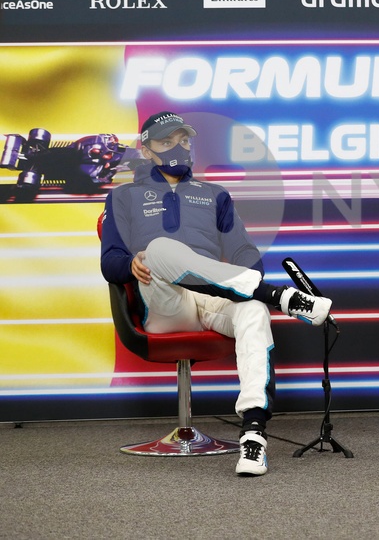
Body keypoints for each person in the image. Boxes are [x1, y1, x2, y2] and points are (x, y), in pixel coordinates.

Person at [100, 111, 332, 476]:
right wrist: (130, 264)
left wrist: (248, 281)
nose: (179, 148)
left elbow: (244, 255)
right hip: (163, 300)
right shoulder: (123, 197)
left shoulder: (214, 194)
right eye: (166, 142)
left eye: (184, 140)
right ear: (146, 151)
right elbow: (110, 261)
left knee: (254, 310)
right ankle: (282, 297)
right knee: (159, 248)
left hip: (213, 296)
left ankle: (254, 434)